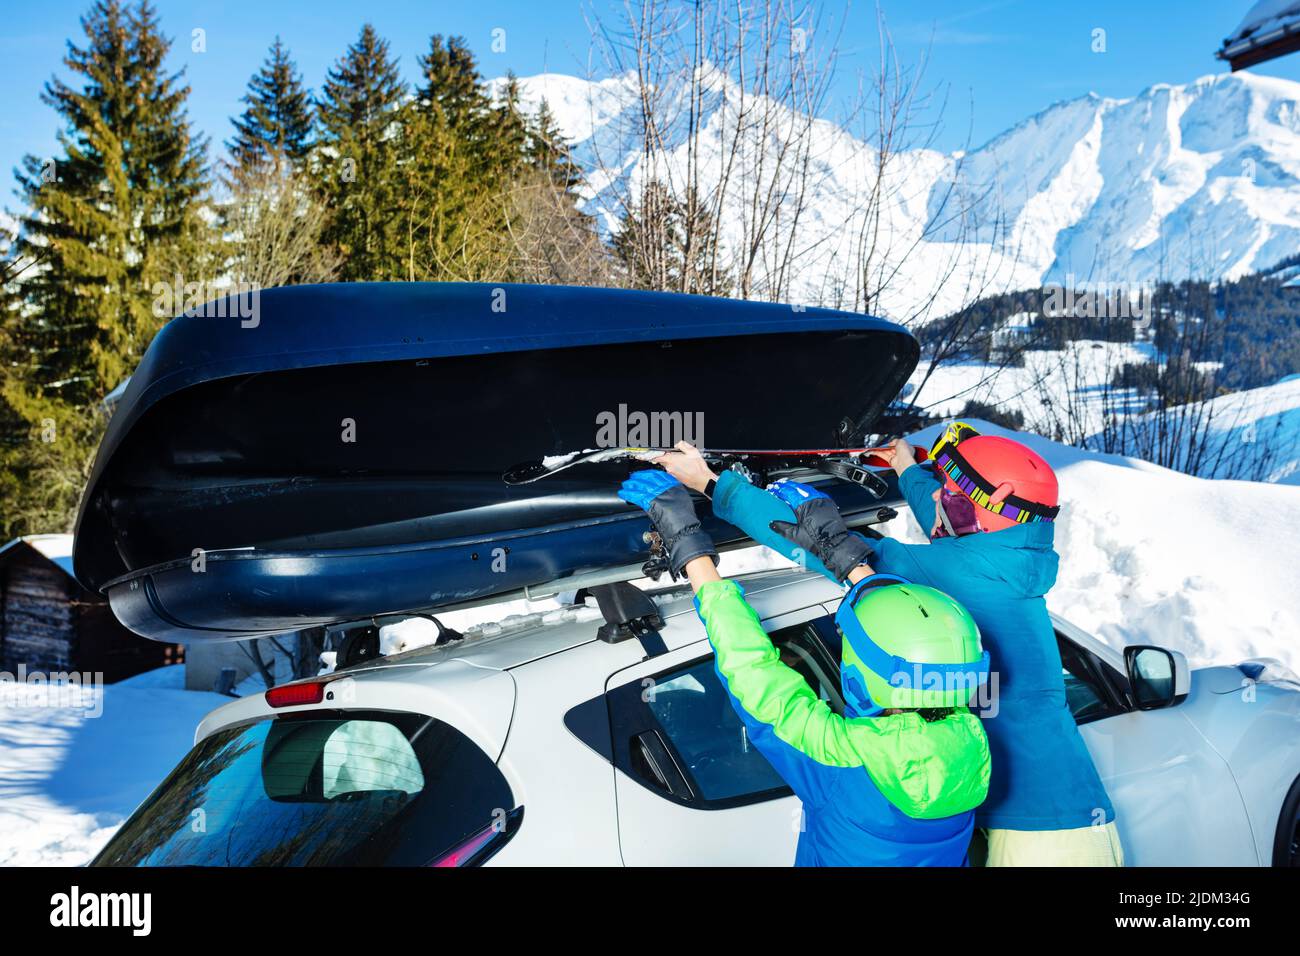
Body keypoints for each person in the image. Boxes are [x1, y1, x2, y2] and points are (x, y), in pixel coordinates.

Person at [656, 427, 1123, 867]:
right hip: (1061, 808)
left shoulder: (953, 573)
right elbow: (946, 518)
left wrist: (713, 485)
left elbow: (824, 546)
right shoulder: (1016, 557)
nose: (939, 498)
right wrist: (905, 467)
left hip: (1038, 835)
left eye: (953, 496)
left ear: (986, 509)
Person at [617, 468, 991, 866]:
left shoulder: (842, 760)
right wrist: (841, 551)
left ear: (860, 680)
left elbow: (752, 671)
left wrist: (688, 545)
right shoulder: (969, 741)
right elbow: (911, 638)